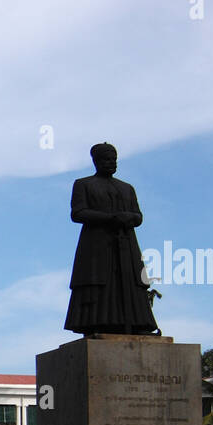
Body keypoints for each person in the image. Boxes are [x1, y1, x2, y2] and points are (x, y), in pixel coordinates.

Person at [63, 142, 160, 336]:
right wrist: (110, 218)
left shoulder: (127, 188)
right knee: (97, 280)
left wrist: (128, 218)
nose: (111, 163)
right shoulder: (84, 184)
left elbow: (138, 216)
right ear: (96, 161)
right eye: (106, 159)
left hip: (126, 243)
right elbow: (78, 213)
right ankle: (95, 323)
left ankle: (137, 323)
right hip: (96, 244)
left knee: (131, 280)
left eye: (114, 159)